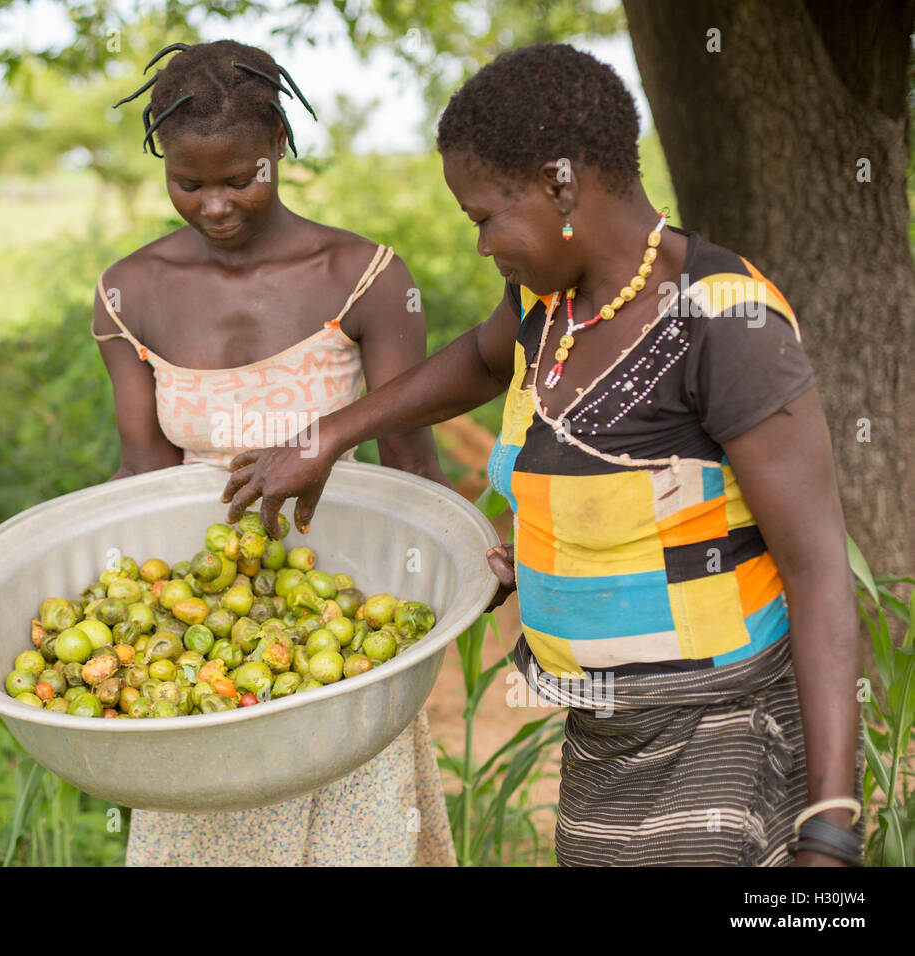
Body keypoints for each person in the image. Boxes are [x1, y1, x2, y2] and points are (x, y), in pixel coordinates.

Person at [221, 43, 865, 867]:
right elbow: (483, 363)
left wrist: (832, 822)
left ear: (561, 184)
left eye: (487, 215)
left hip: (722, 728)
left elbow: (817, 570)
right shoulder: (547, 303)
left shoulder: (722, 322)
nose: (484, 244)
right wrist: (327, 437)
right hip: (602, 729)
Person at [0, 39, 458, 867]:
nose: (216, 206)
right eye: (189, 183)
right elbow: (142, 472)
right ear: (162, 166)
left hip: (347, 628)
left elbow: (412, 463)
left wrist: (459, 572)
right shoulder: (128, 292)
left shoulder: (366, 276)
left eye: (240, 177)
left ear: (278, 144)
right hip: (198, 635)